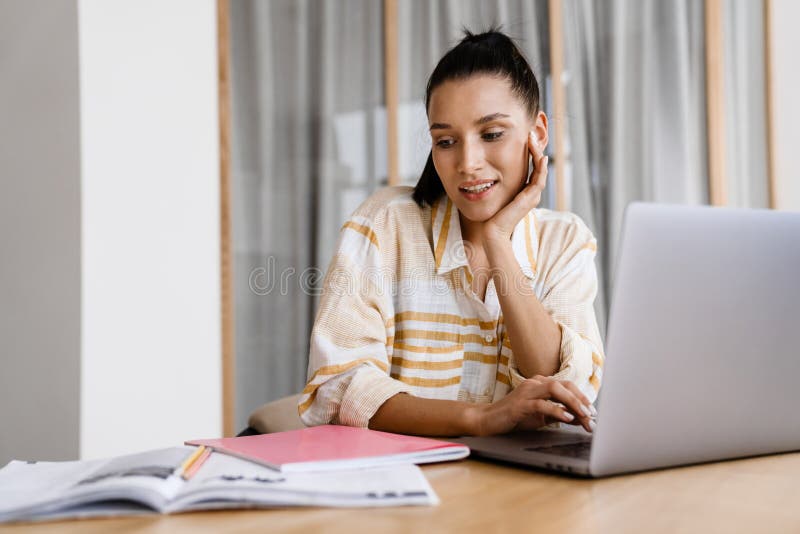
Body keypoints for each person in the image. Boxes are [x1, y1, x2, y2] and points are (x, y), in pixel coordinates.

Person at [298, 29, 604, 437]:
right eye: (446, 141)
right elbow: (339, 386)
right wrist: (479, 419)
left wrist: (498, 242)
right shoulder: (384, 224)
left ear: (538, 134)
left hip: (526, 489)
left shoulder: (565, 242)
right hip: (404, 484)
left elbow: (565, 388)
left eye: (492, 134)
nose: (468, 163)